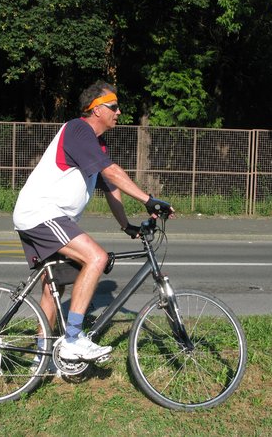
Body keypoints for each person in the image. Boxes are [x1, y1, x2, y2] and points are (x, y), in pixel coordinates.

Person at [12, 80, 174, 362]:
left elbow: (111, 187)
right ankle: (73, 340)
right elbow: (112, 173)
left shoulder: (96, 144)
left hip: (47, 216)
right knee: (97, 258)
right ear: (96, 109)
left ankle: (41, 358)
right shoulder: (78, 129)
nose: (119, 112)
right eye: (114, 106)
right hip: (41, 213)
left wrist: (126, 226)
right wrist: (148, 199)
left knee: (54, 287)